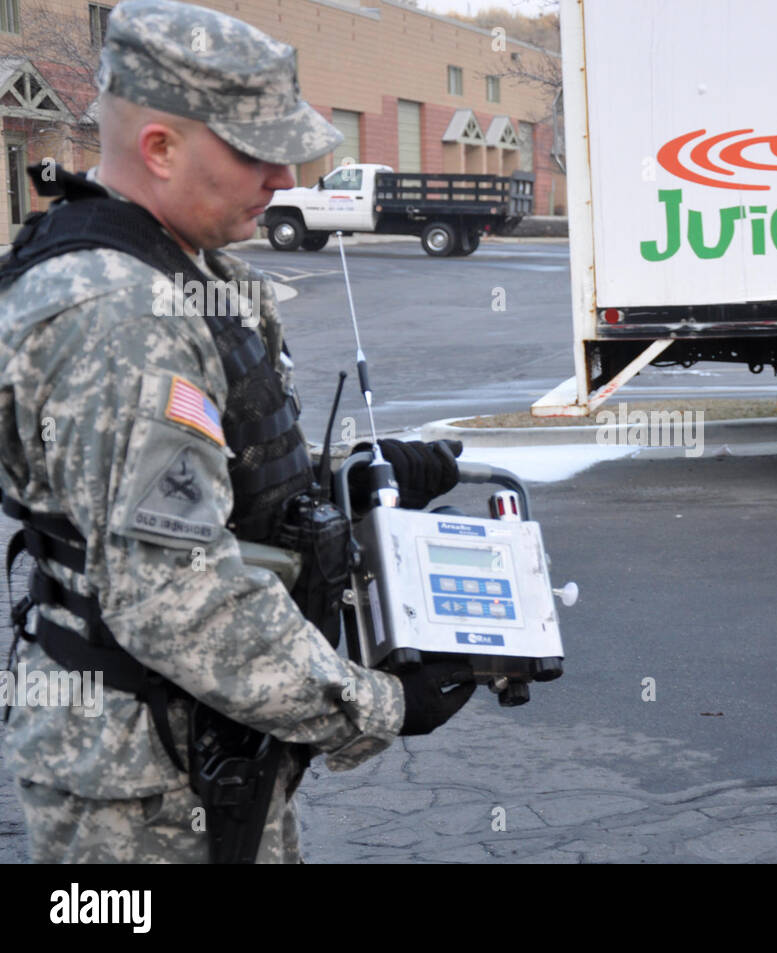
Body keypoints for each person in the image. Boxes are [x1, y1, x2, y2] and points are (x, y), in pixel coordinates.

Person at [0, 0, 473, 863]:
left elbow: (209, 482)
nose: (285, 176)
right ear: (161, 148)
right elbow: (174, 591)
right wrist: (377, 704)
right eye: (256, 150)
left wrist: (347, 479)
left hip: (206, 745)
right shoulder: (122, 315)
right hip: (137, 791)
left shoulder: (190, 273)